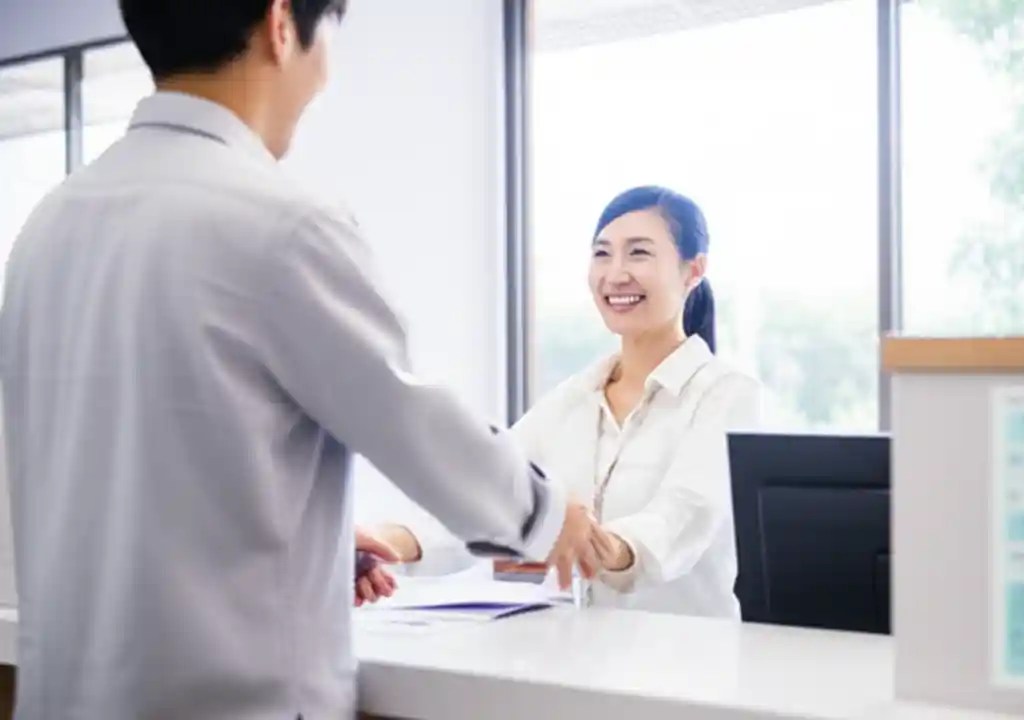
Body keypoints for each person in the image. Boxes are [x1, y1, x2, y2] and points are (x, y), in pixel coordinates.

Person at [0, 1, 599, 718]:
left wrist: (294, 538)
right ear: (282, 25)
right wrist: (545, 513)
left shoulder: (49, 224)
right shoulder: (279, 222)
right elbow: (415, 424)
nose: (326, 73)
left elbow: (107, 465)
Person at [384, 186, 760, 618]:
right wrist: (385, 543)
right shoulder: (574, 398)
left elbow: (678, 523)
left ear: (693, 270)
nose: (615, 274)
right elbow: (489, 495)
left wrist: (577, 537)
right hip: (579, 660)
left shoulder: (727, 394)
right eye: (602, 254)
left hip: (684, 668)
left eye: (638, 254)